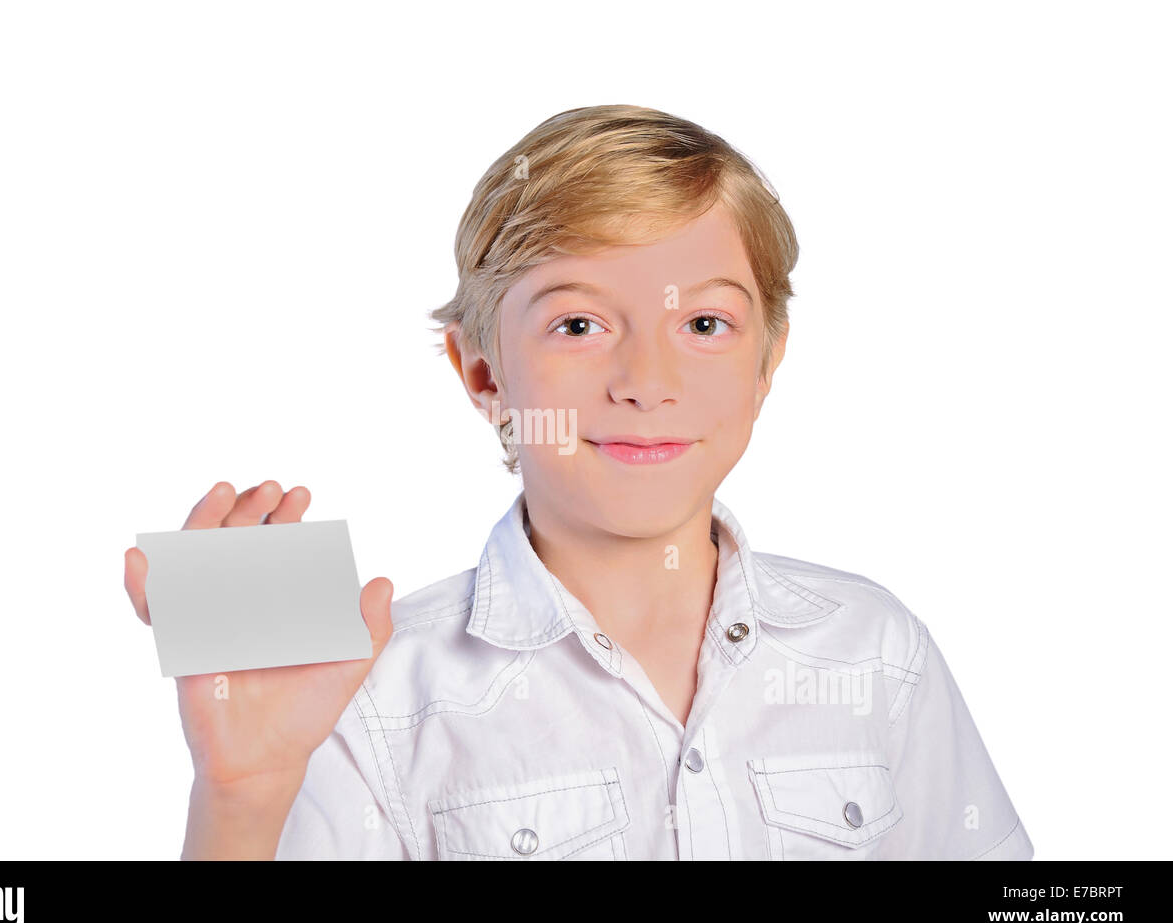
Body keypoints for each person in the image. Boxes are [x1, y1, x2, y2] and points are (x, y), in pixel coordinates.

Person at [123, 104, 1033, 860]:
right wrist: (243, 798)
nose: (646, 379)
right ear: (483, 374)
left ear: (769, 360)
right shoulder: (367, 692)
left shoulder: (874, 651)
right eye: (578, 325)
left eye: (706, 323)